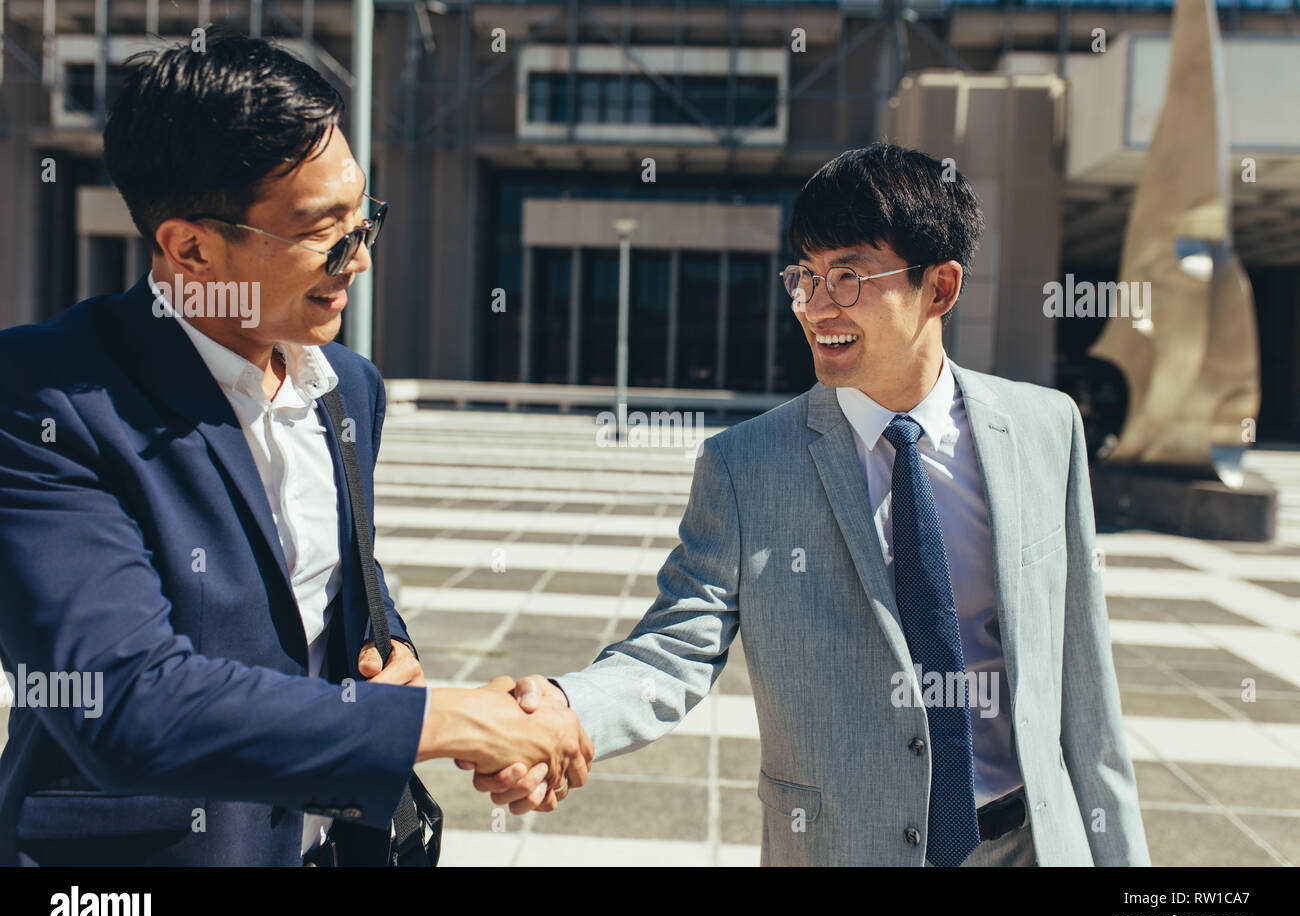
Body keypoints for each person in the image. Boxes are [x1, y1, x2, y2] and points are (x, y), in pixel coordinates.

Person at [0, 31, 591, 867]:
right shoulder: (40, 398)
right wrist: (447, 720)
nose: (360, 260)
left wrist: (393, 653)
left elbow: (331, 575)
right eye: (325, 232)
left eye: (366, 218)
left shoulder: (348, 385)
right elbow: (125, 701)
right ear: (191, 248)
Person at [469, 144, 1151, 867]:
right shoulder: (746, 466)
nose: (816, 305)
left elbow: (1086, 691)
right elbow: (674, 649)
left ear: (940, 288)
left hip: (1032, 844)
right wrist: (568, 713)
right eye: (805, 276)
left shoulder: (1045, 430)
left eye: (850, 276)